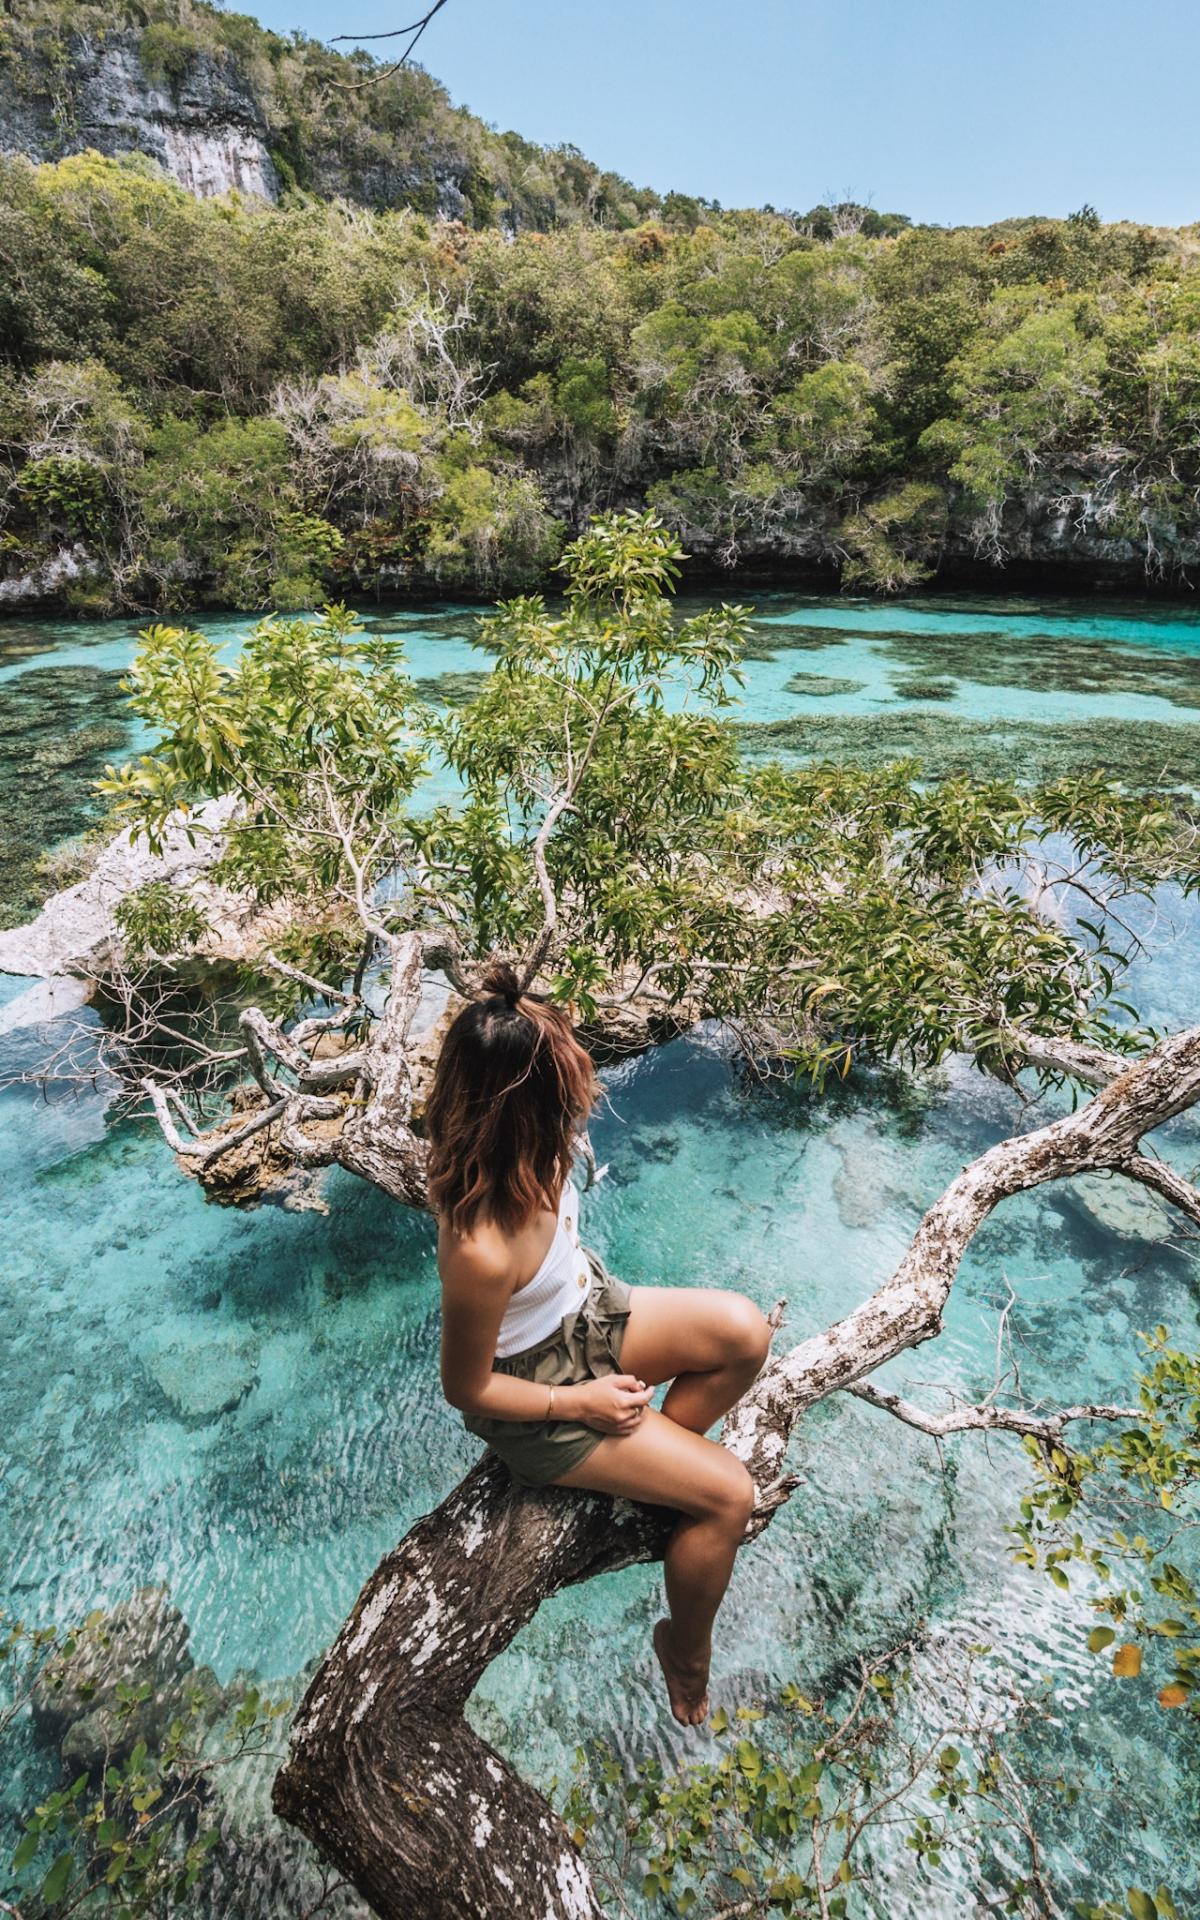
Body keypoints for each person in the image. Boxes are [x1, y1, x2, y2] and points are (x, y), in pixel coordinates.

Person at [427, 961, 772, 1726]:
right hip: (536, 1392)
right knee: (729, 1498)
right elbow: (465, 1388)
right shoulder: (481, 1246)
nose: (584, 1093)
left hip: (592, 1313)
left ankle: (646, 1472)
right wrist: (578, 1402)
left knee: (745, 1332)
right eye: (567, 1085)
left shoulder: (537, 1151)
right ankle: (684, 1649)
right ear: (524, 1106)